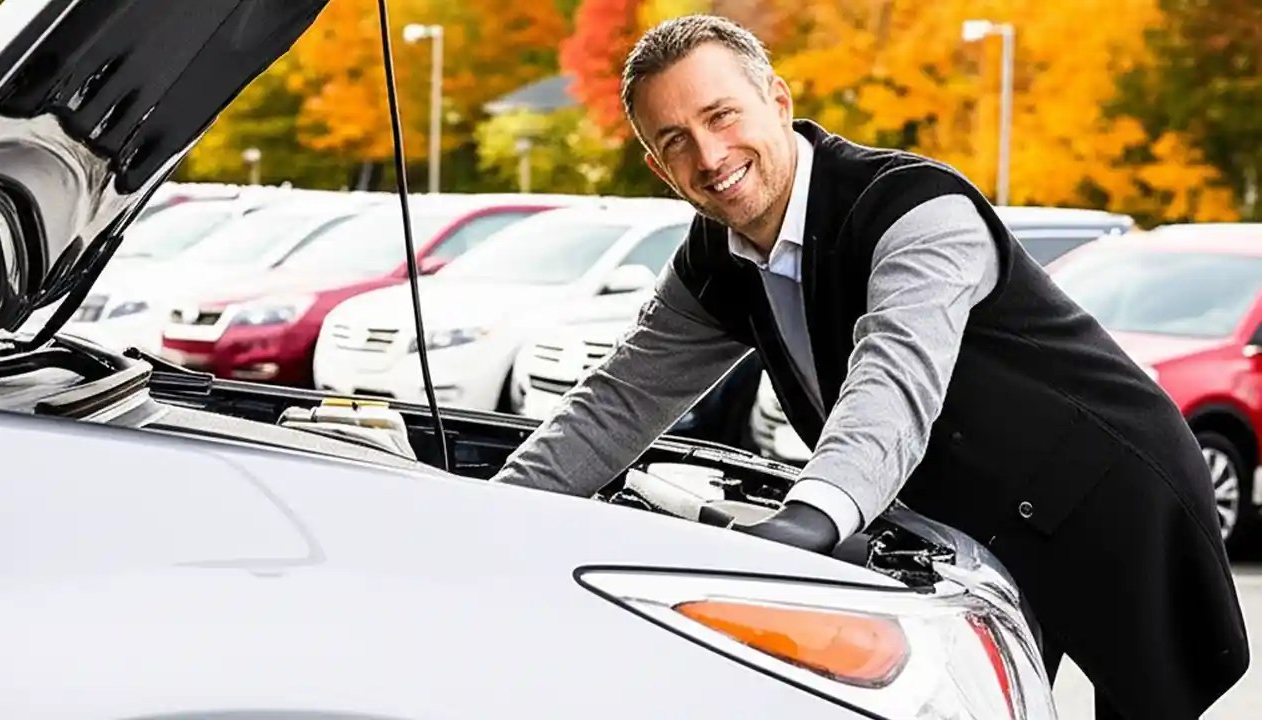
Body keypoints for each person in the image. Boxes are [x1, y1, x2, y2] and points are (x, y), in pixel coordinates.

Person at [490, 13, 1248, 719]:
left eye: (721, 116)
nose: (710, 155)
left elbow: (893, 382)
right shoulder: (712, 262)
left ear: (777, 101)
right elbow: (616, 402)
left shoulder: (916, 210)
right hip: (980, 530)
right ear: (659, 168)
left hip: (1112, 500)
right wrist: (492, 514)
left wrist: (811, 520)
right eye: (677, 139)